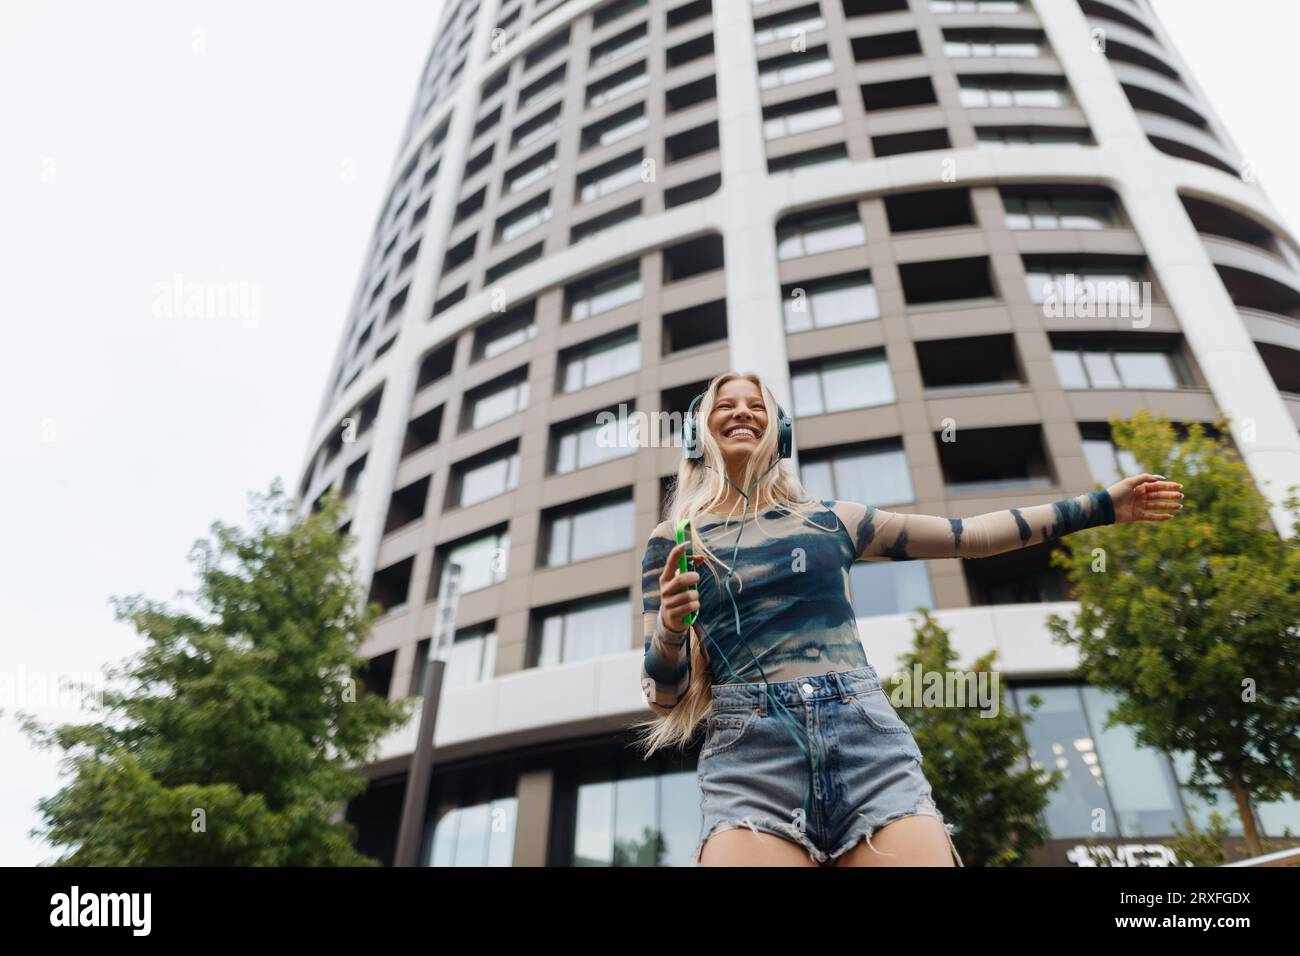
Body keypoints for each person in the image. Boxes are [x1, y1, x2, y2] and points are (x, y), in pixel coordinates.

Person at [633, 371, 1184, 867]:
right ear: (696, 434)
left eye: (758, 404)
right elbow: (663, 697)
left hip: (864, 742)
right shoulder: (676, 542)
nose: (743, 412)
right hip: (750, 760)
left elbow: (970, 536)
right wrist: (672, 629)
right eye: (724, 405)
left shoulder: (832, 521)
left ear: (781, 431)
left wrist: (1100, 507)